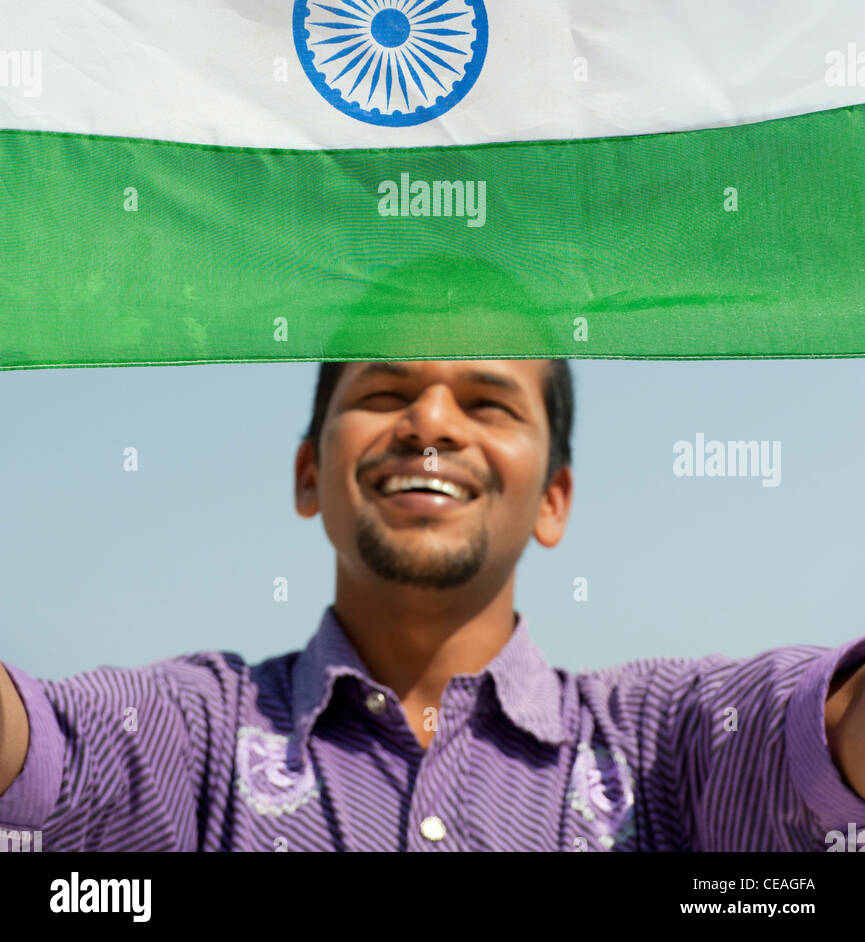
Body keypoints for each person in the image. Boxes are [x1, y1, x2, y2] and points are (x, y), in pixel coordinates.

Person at [1, 356, 864, 852]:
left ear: (554, 498)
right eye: (383, 393)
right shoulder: (193, 739)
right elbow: (41, 754)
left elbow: (823, 736)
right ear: (309, 474)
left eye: (487, 402)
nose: (429, 423)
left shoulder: (659, 745)